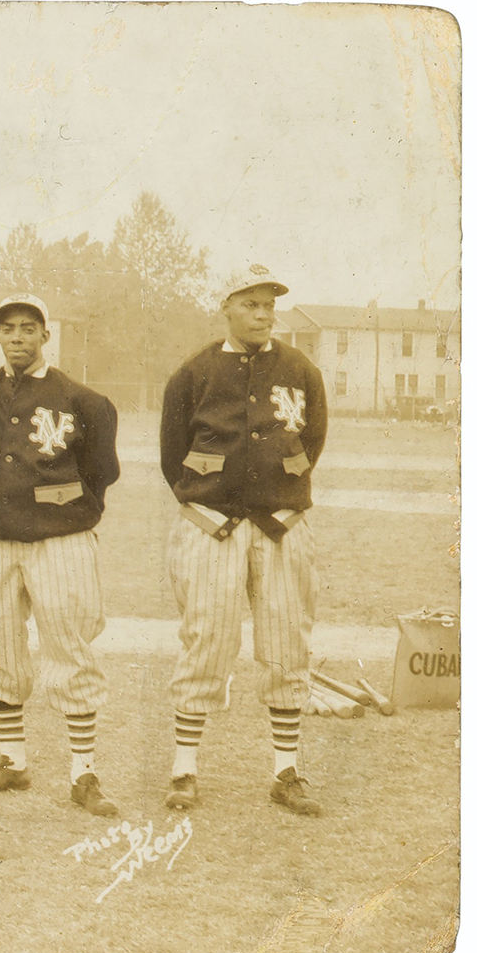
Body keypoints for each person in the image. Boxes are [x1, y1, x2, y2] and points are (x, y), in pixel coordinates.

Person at [159, 265, 328, 816]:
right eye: (250, 304)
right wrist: (213, 496)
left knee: (286, 644)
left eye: (268, 305)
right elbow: (172, 455)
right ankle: (184, 769)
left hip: (281, 523)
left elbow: (313, 438)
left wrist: (278, 490)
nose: (262, 314)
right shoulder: (194, 373)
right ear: (226, 307)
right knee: (206, 639)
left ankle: (286, 772)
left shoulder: (300, 369)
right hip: (212, 523)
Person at [0, 292, 122, 810]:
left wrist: (68, 507)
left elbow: (101, 471)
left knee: (70, 647)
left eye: (29, 328)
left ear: (46, 335)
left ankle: (84, 774)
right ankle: (12, 760)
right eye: (9, 328)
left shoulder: (81, 399)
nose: (18, 337)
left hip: (60, 540)